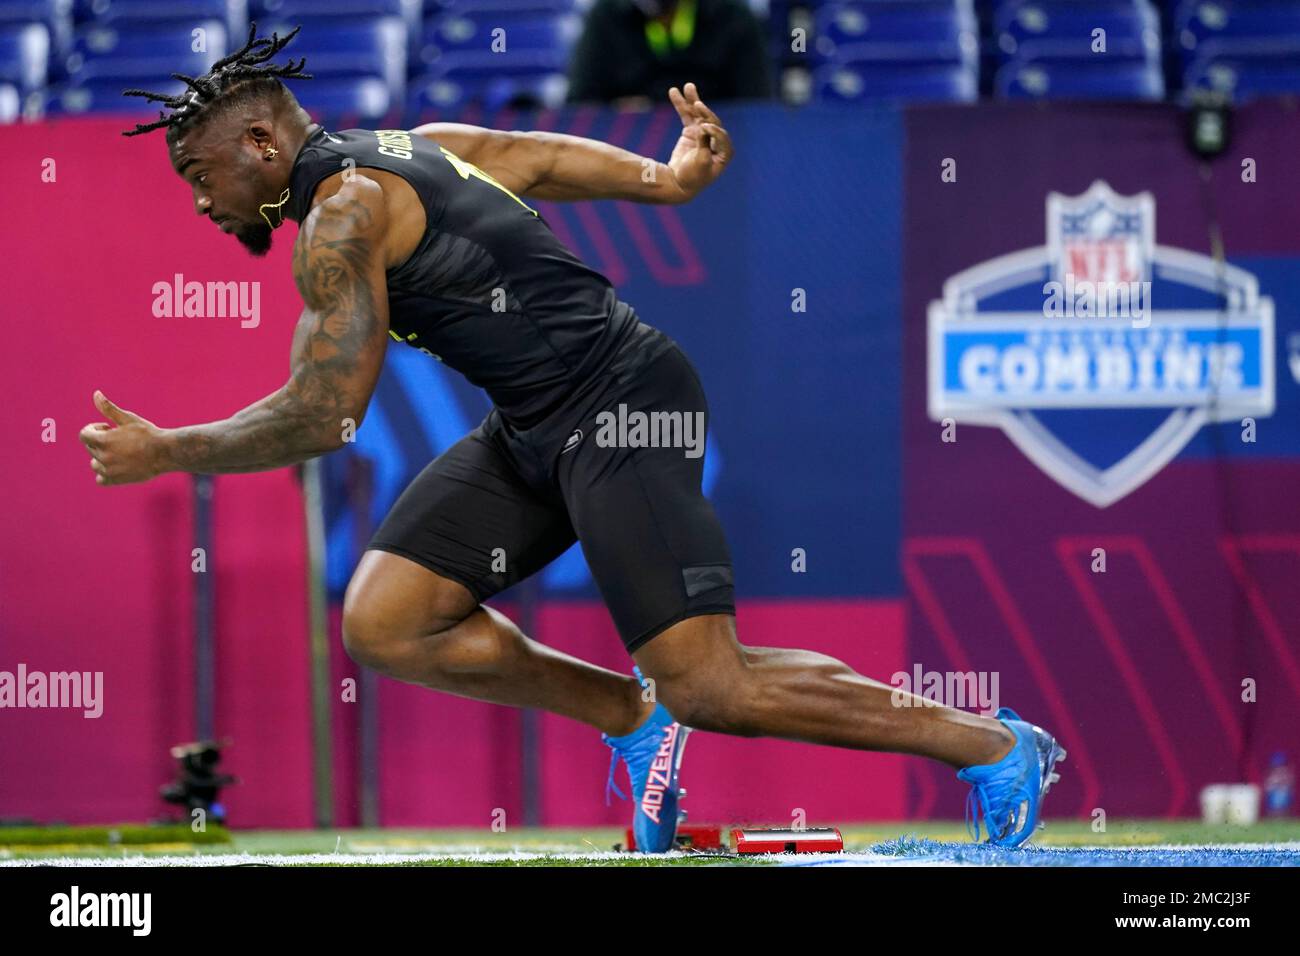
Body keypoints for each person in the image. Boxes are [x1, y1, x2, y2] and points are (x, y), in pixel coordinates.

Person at [82, 25, 1064, 852]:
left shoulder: (341, 221)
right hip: (536, 425)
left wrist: (170, 448)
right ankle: (630, 718)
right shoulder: (412, 143)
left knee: (711, 682)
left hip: (622, 402)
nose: (201, 202)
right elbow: (538, 159)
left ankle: (989, 743)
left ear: (258, 142)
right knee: (387, 619)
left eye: (199, 175)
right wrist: (667, 180)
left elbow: (327, 410)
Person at [568, 0, 771, 107]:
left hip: (713, 151)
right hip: (632, 151)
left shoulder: (733, 15)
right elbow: (580, 104)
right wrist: (615, 112)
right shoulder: (605, 15)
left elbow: (756, 106)